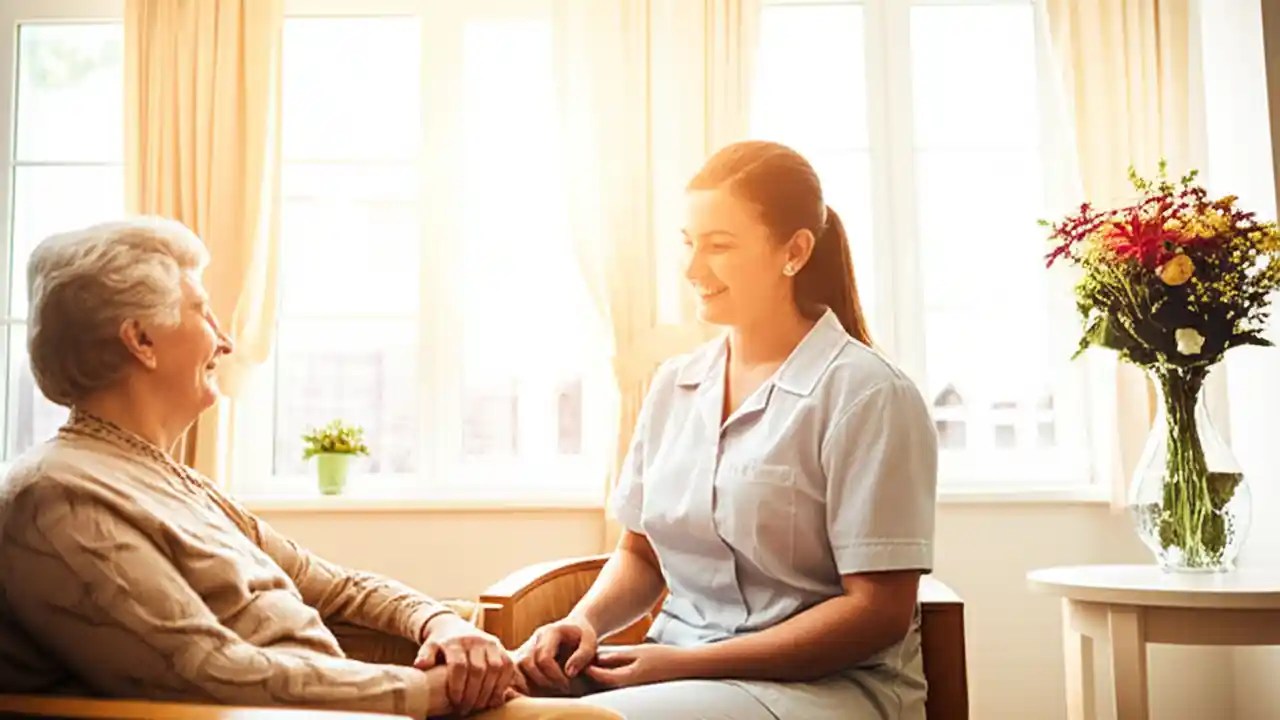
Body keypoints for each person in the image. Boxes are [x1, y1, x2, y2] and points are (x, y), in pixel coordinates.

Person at [0, 217, 612, 720]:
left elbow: (338, 586)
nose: (225, 341)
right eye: (202, 312)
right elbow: (204, 671)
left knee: (585, 701)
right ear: (141, 339)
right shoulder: (57, 498)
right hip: (308, 716)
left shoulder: (169, 479)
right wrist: (433, 692)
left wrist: (442, 623)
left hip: (349, 709)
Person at [512, 141, 939, 719]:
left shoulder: (868, 394)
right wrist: (580, 622)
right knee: (478, 702)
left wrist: (686, 665)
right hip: (674, 669)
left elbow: (878, 611)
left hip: (825, 691)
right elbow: (642, 554)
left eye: (719, 246)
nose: (692, 270)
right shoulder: (674, 385)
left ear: (795, 251)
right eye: (688, 244)